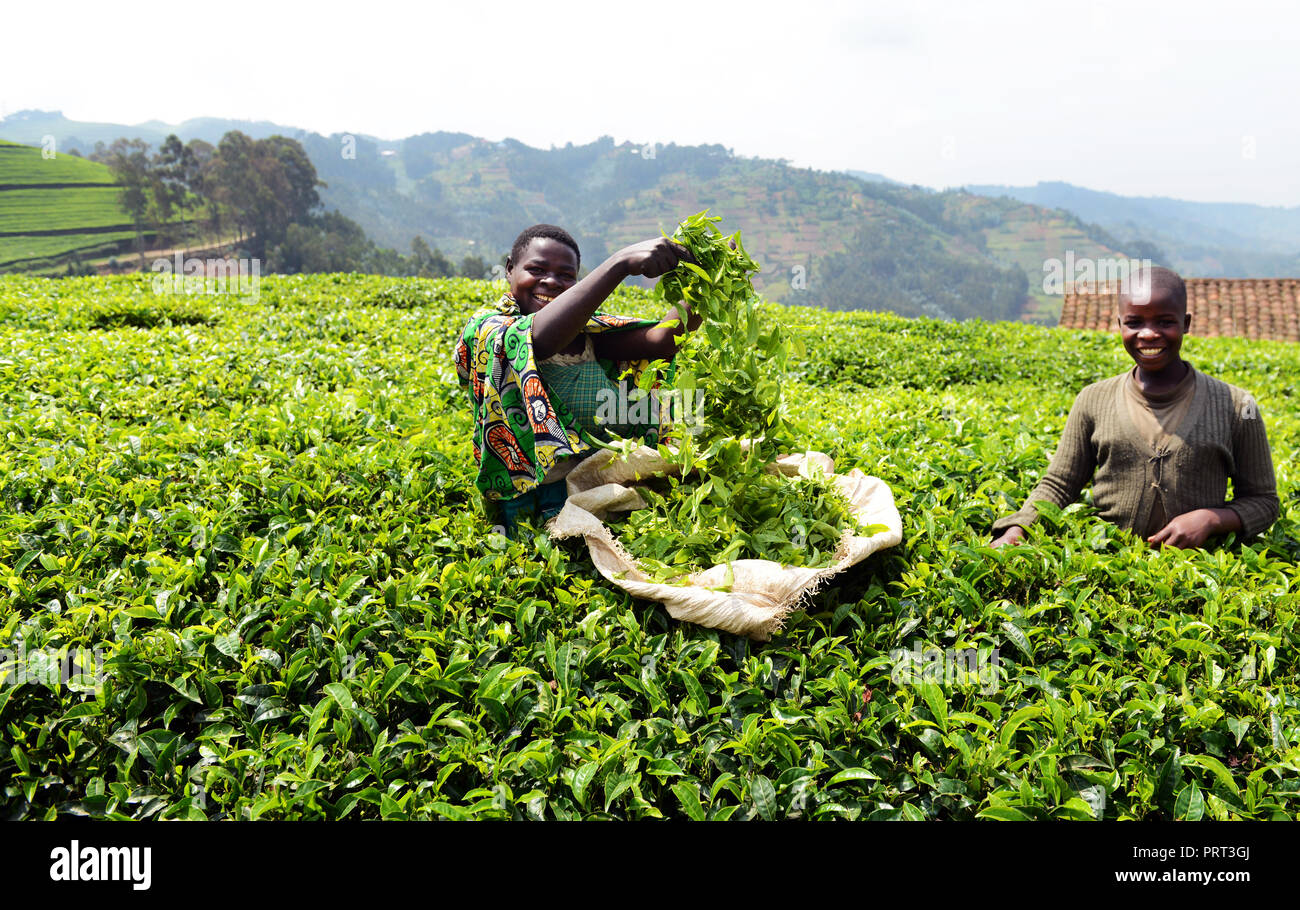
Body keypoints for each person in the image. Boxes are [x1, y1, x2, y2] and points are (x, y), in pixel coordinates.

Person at [990, 266, 1279, 549]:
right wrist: (1017, 529)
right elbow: (1059, 484)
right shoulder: (1092, 399)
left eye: (1165, 322)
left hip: (1198, 571)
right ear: (1120, 325)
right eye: (1134, 322)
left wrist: (1210, 519)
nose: (1149, 334)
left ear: (1186, 323)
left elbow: (1264, 502)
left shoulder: (1237, 405)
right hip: (1109, 566)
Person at [454, 224, 699, 537]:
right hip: (529, 506)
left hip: (596, 490)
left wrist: (708, 281)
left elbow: (660, 342)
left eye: (566, 275)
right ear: (510, 269)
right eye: (536, 269)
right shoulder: (488, 329)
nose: (551, 281)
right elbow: (534, 342)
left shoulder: (589, 333)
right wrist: (620, 264)